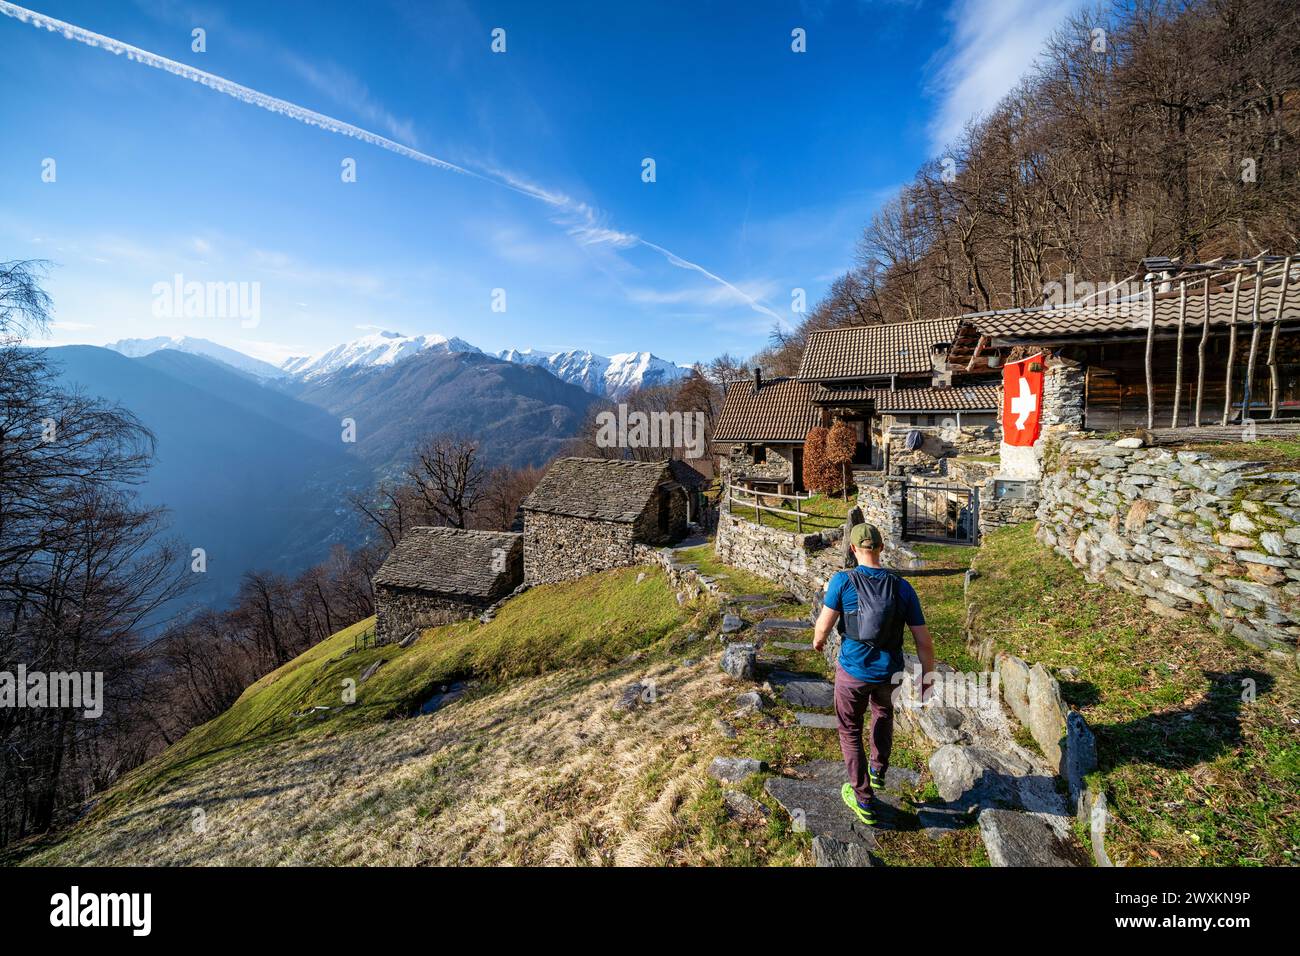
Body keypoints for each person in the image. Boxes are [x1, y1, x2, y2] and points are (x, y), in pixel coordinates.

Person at [812, 522, 934, 826]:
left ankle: (863, 799)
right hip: (889, 672)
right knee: (883, 713)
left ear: (854, 549)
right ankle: (878, 772)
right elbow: (924, 641)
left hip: (853, 670)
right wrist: (926, 682)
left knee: (849, 729)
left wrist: (818, 643)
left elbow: (824, 626)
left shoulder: (842, 581)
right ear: (881, 548)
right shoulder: (902, 587)